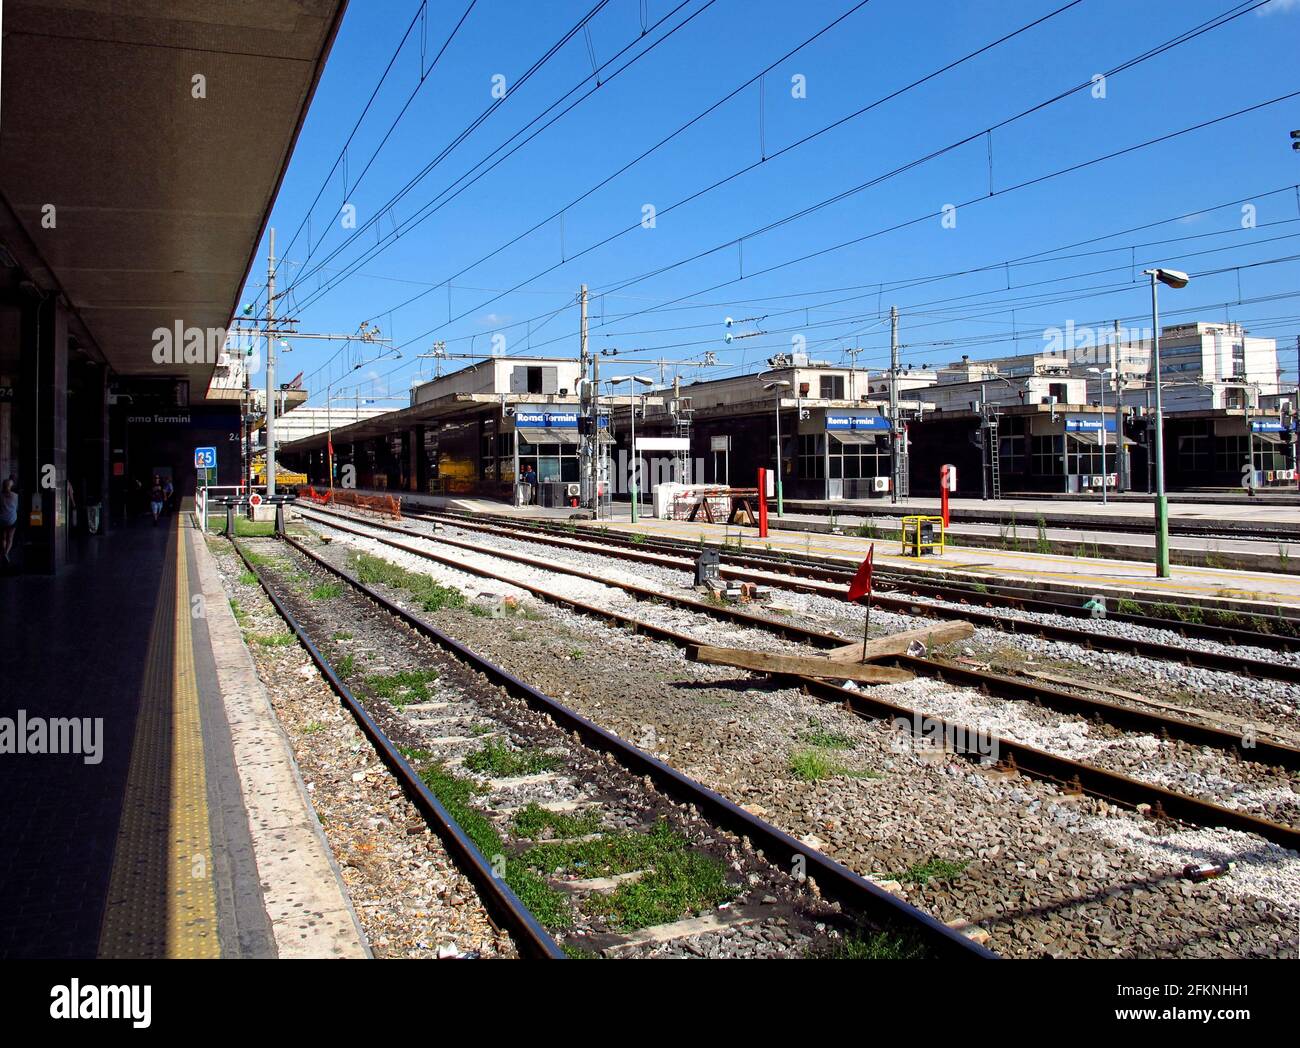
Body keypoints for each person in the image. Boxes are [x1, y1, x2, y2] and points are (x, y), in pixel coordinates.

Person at [0, 478, 17, 564]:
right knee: (10, 538)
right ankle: (6, 553)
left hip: (2, 519)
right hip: (12, 519)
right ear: (10, 486)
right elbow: (17, 507)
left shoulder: (1, 496)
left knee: (3, 537)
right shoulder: (15, 496)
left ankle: (3, 551)